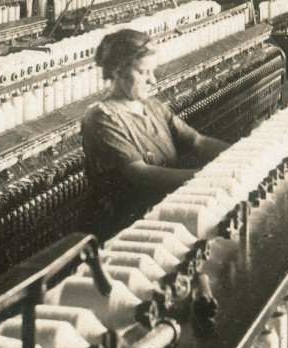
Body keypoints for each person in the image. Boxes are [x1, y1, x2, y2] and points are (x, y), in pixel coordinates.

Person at [81, 28, 230, 235]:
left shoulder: (151, 106)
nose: (153, 80)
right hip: (127, 226)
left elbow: (197, 141)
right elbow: (142, 175)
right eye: (143, 72)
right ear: (118, 71)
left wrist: (240, 155)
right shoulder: (101, 117)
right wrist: (207, 177)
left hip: (163, 211)